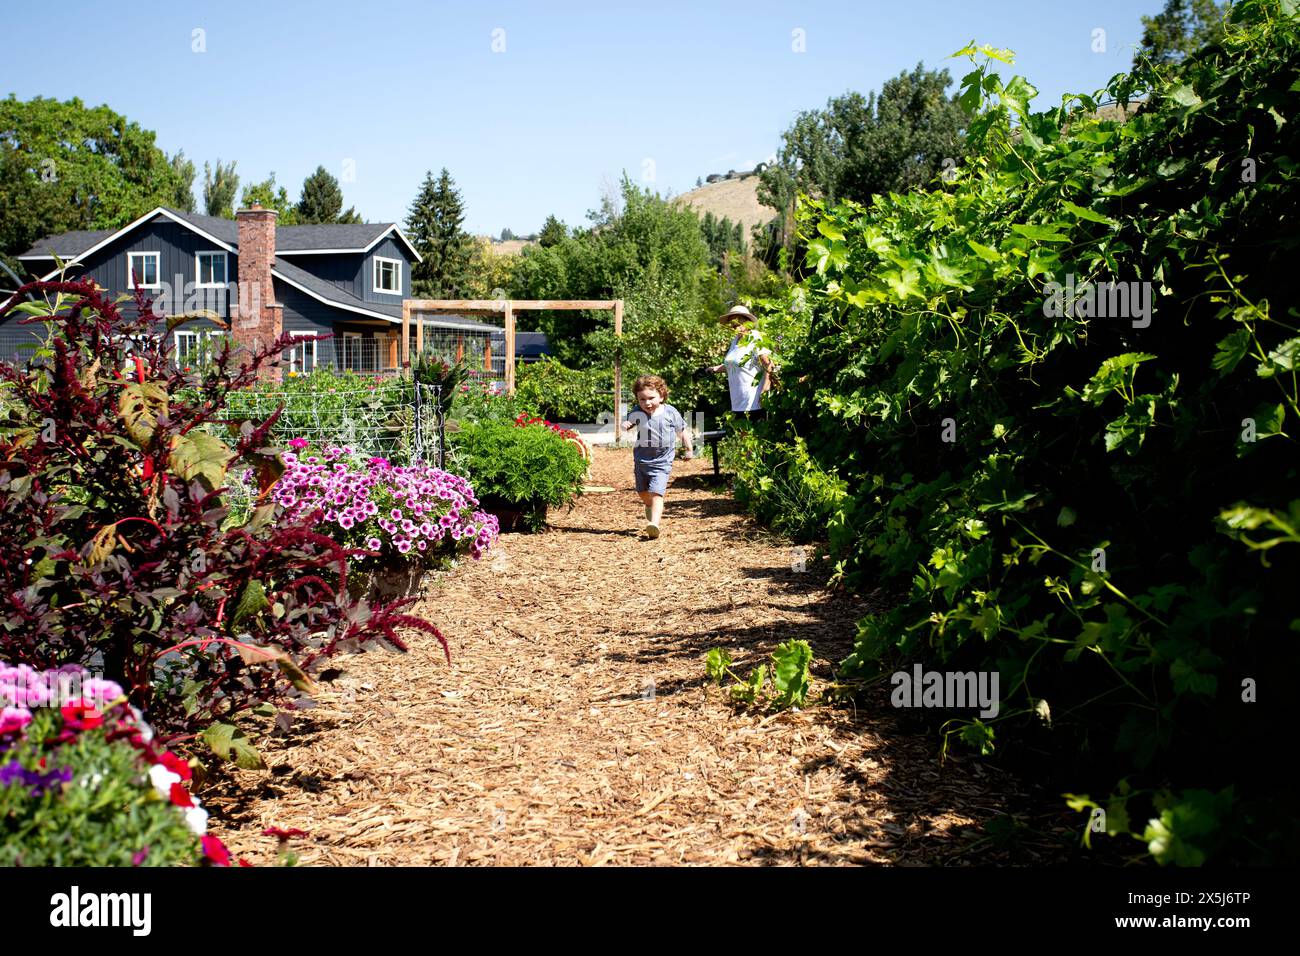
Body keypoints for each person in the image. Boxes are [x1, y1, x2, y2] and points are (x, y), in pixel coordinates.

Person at [621, 374, 693, 539]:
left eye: (651, 398)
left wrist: (688, 448)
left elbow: (682, 431)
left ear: (661, 395)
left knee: (656, 494)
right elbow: (629, 422)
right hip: (641, 460)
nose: (647, 403)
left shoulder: (670, 412)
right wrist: (626, 425)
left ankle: (654, 524)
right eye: (642, 399)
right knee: (642, 492)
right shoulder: (638, 411)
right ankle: (648, 504)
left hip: (662, 462)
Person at [703, 304, 777, 420]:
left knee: (754, 436)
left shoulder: (755, 337)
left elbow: (768, 364)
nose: (733, 323)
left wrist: (765, 388)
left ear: (747, 321)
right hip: (738, 402)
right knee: (743, 436)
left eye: (737, 319)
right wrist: (715, 369)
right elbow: (733, 365)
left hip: (754, 401)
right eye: (731, 320)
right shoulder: (735, 341)